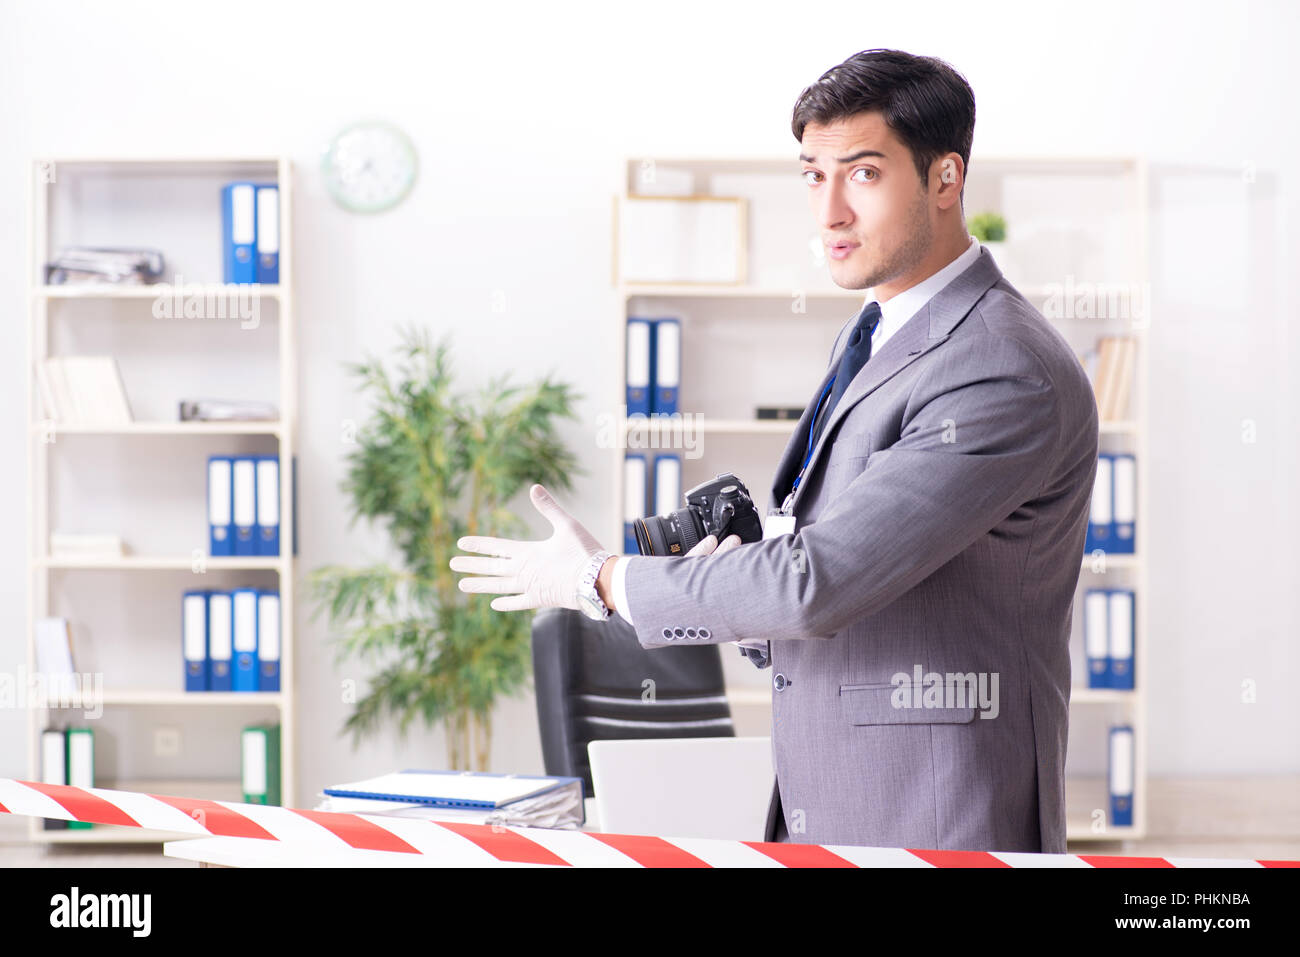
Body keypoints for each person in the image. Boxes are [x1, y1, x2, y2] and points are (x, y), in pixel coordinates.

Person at [450, 48, 1098, 853]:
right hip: (824, 804)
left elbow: (819, 582)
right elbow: (824, 564)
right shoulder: (871, 333)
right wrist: (734, 577)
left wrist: (605, 578)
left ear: (944, 178)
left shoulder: (1002, 365)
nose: (828, 212)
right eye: (810, 175)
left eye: (862, 174)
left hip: (936, 814)